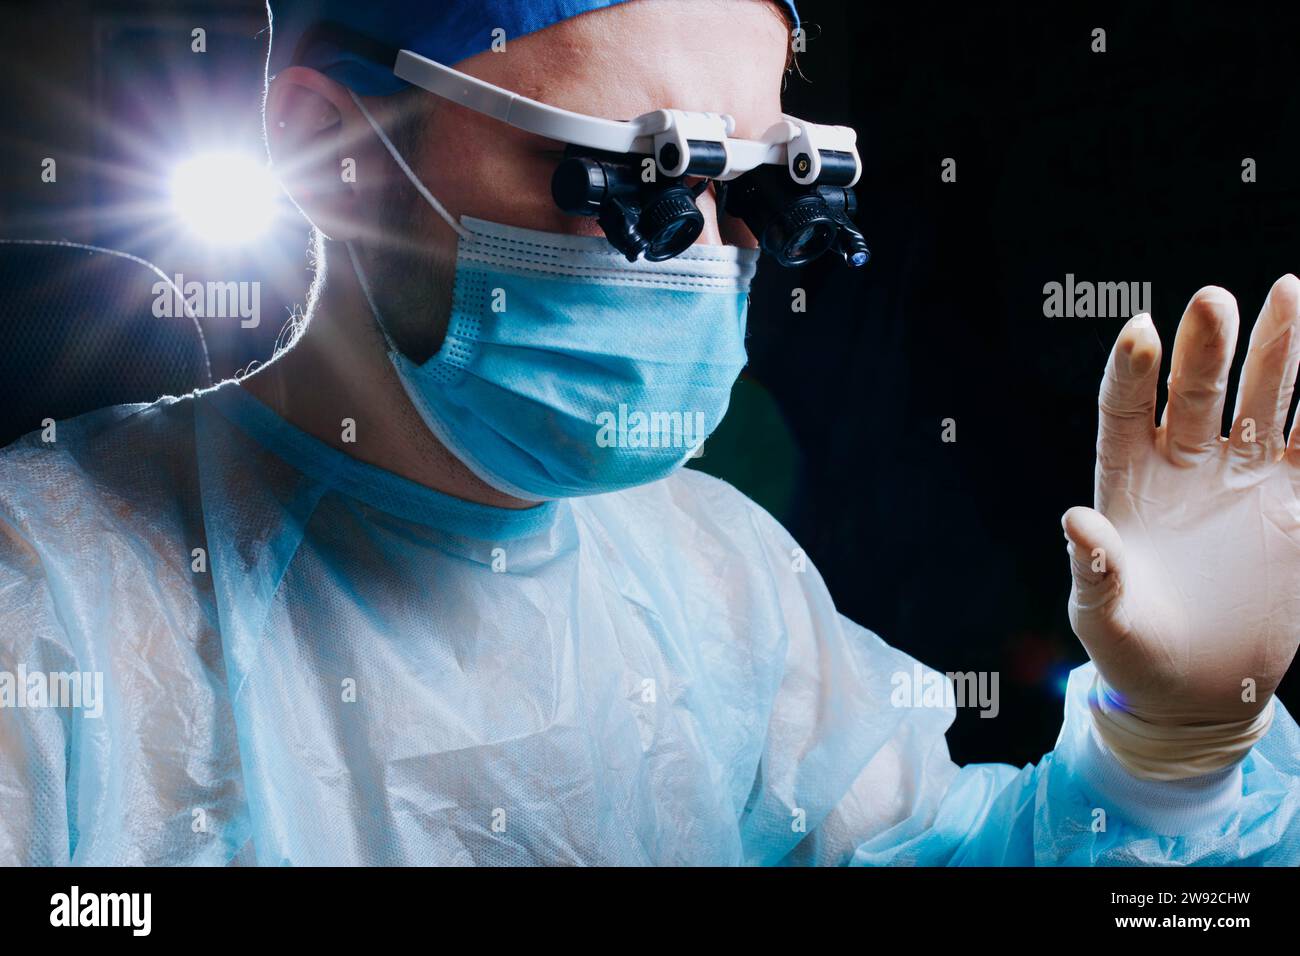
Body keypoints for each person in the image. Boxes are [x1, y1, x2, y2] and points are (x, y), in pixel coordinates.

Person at [0, 0, 1297, 866]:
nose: (706, 265)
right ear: (331, 151)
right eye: (636, 184)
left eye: (752, 195)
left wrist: (1165, 755)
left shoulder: (717, 579)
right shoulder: (46, 605)